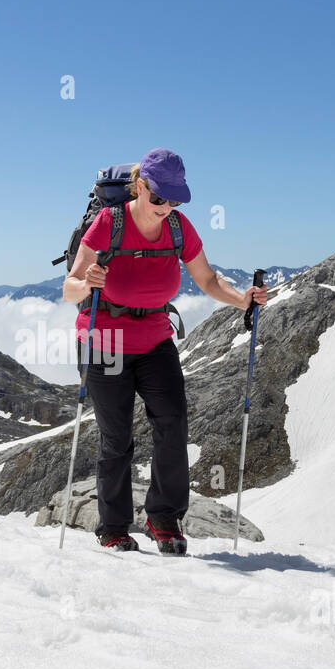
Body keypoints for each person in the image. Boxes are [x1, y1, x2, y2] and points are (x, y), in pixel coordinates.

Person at [62, 149, 267, 554]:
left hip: (155, 338)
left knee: (173, 424)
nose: (166, 207)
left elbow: (207, 280)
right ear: (140, 186)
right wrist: (87, 283)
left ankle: (163, 519)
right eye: (159, 198)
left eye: (175, 199)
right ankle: (114, 528)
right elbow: (70, 289)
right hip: (105, 340)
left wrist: (244, 300)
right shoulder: (109, 222)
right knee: (116, 436)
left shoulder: (178, 227)